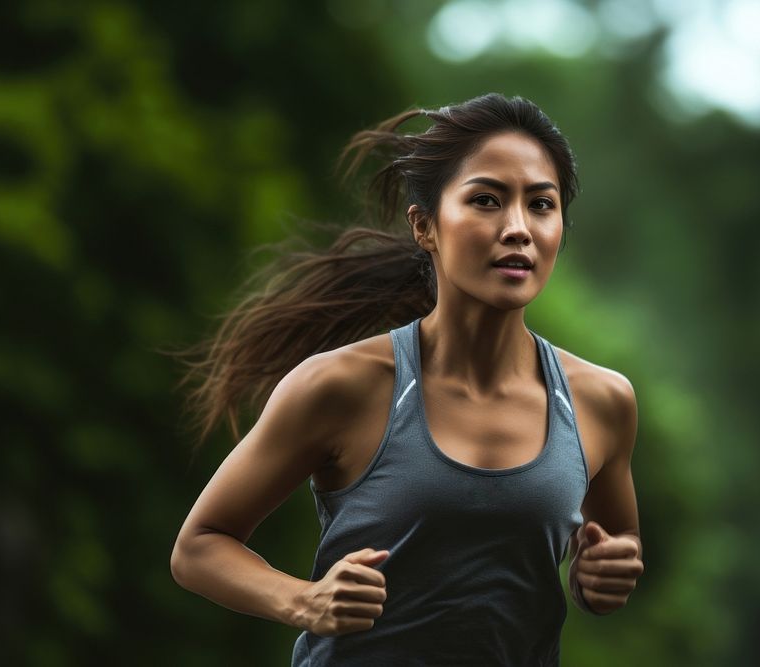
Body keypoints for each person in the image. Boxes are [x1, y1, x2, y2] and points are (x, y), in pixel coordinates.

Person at [169, 92, 644, 666]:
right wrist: (304, 601)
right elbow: (198, 547)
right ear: (426, 226)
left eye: (541, 204)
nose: (518, 228)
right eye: (487, 200)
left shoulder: (601, 401)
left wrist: (601, 582)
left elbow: (612, 558)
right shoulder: (342, 387)